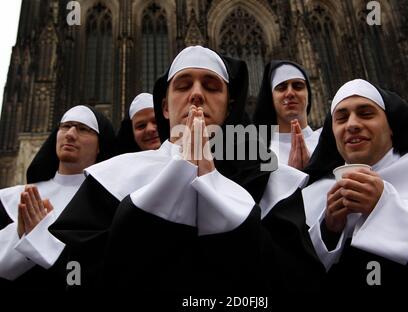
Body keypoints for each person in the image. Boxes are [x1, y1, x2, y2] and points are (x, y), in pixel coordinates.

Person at [50, 46, 323, 294]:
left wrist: (216, 189)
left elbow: (298, 280)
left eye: (212, 87)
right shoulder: (113, 177)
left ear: (229, 108)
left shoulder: (271, 179)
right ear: (166, 108)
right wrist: (174, 181)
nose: (196, 94)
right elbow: (79, 276)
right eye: (183, 86)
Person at [302, 79, 408, 291]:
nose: (352, 124)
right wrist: (328, 231)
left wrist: (385, 207)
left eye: (365, 114)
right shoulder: (314, 196)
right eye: (341, 118)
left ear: (391, 126)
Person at [0, 105, 115, 288]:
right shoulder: (10, 198)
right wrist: (20, 236)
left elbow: (92, 276)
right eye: (65, 126)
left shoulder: (108, 204)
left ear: (100, 145)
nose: (70, 134)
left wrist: (40, 240)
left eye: (83, 129)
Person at [253, 60, 321, 169]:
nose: (290, 93)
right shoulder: (256, 155)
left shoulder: (331, 143)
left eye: (298, 86)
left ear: (309, 94)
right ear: (270, 98)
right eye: (281, 87)